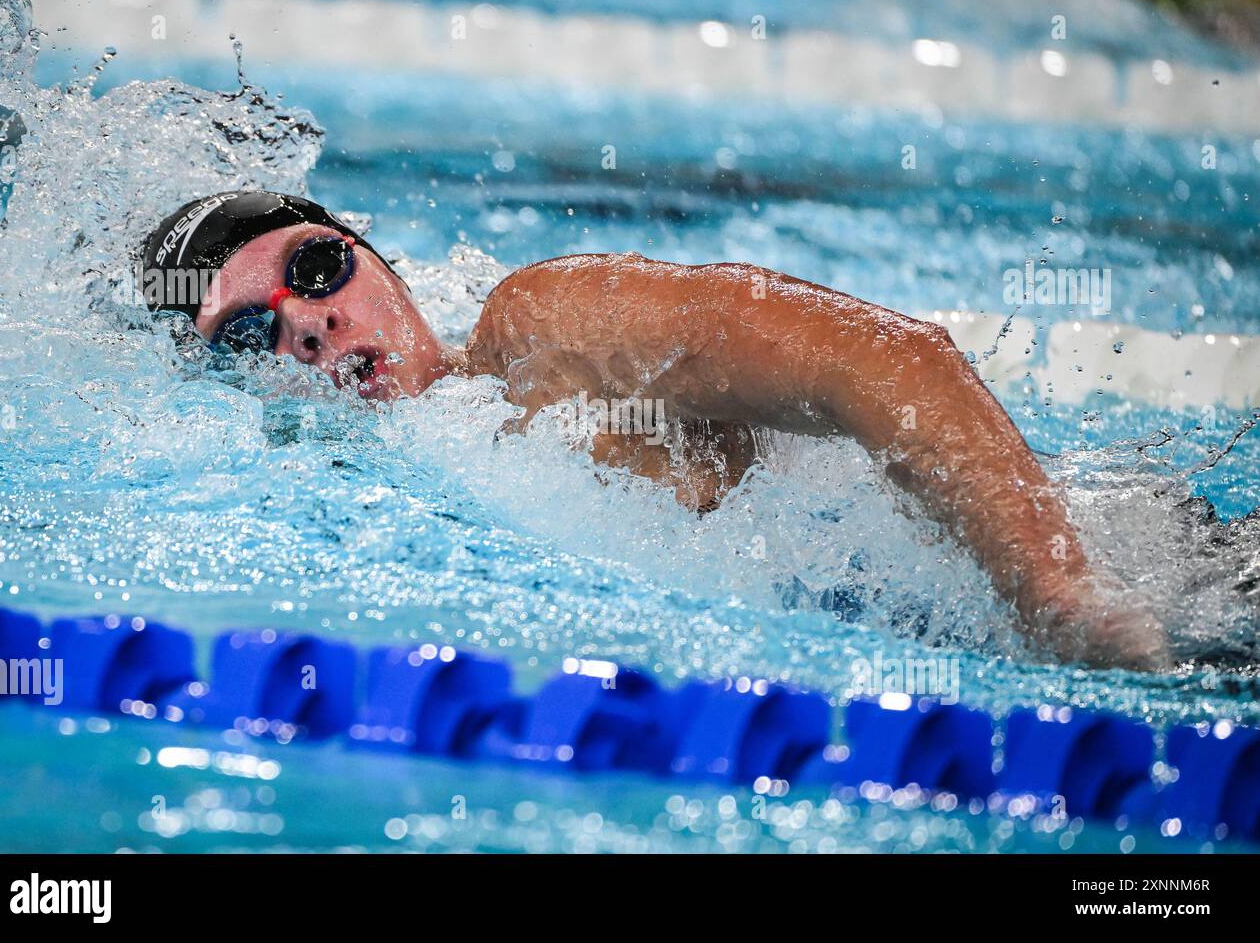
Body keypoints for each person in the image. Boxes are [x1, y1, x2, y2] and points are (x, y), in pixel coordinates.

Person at [140, 190, 1168, 671]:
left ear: (380, 262)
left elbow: (891, 358)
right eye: (247, 336)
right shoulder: (364, 529)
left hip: (1149, 579)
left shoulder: (535, 332)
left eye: (318, 270)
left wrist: (1054, 593)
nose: (310, 321)